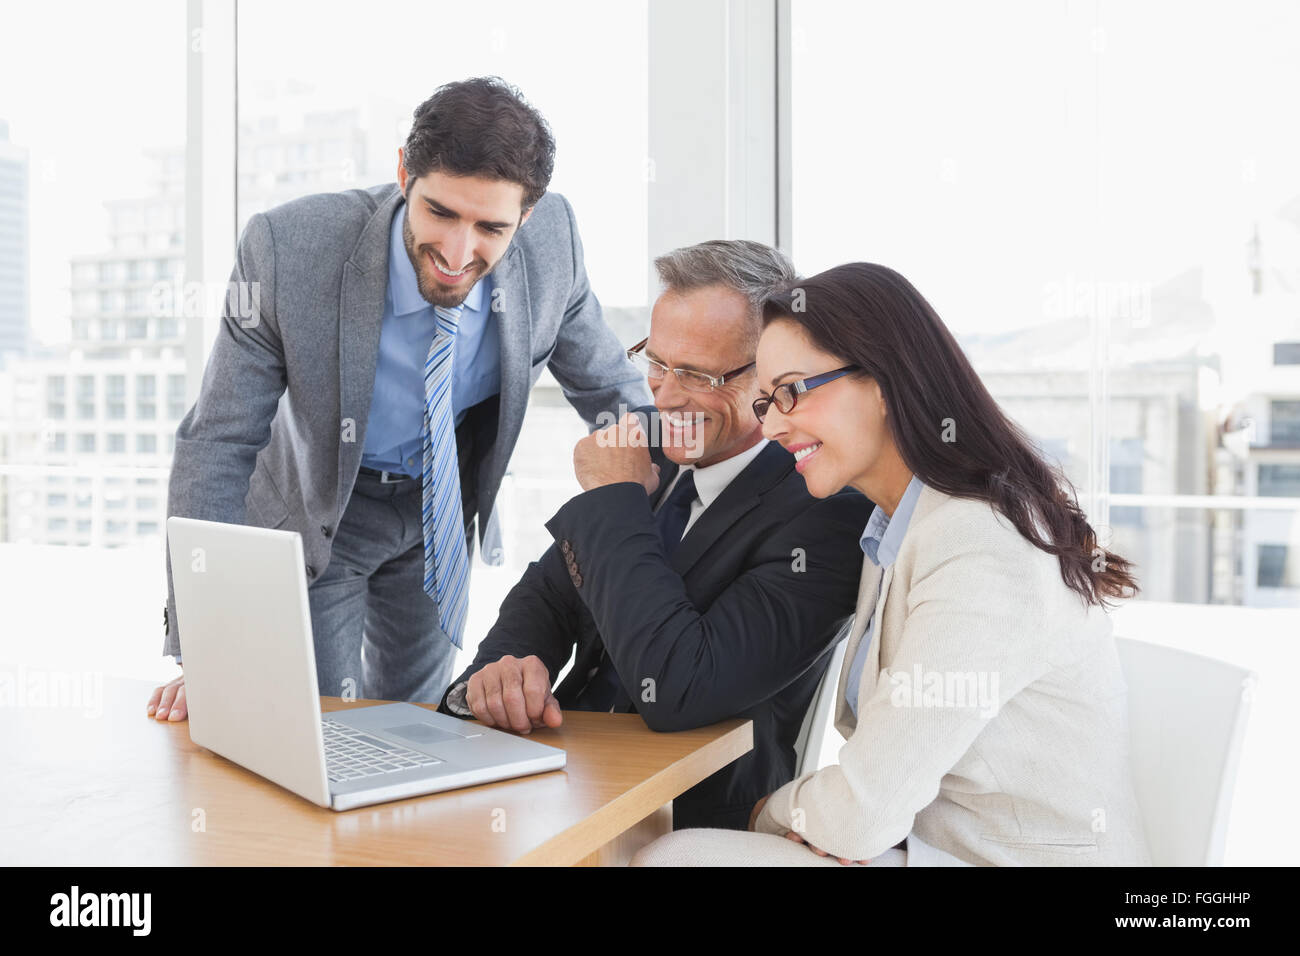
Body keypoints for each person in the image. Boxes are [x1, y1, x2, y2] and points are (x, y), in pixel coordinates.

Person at [148, 77, 650, 722]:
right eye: (440, 212)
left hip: (441, 511)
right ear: (403, 174)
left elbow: (610, 390)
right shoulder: (289, 249)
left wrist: (708, 484)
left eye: (490, 226)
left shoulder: (554, 244)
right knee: (310, 723)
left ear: (527, 215)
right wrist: (207, 644)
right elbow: (219, 439)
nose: (457, 252)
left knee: (416, 727)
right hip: (323, 510)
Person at [631, 262, 1151, 865]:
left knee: (677, 858)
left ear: (884, 381)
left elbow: (861, 812)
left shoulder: (979, 542)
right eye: (767, 400)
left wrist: (765, 815)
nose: (772, 424)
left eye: (792, 391)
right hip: (923, 848)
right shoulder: (897, 529)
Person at [439, 241, 872, 830]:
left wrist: (613, 501)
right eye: (657, 363)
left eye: (697, 374)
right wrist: (499, 677)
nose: (663, 395)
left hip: (684, 813)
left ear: (771, 373)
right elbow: (545, 598)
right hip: (560, 775)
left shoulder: (825, 513)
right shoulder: (647, 445)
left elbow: (677, 688)